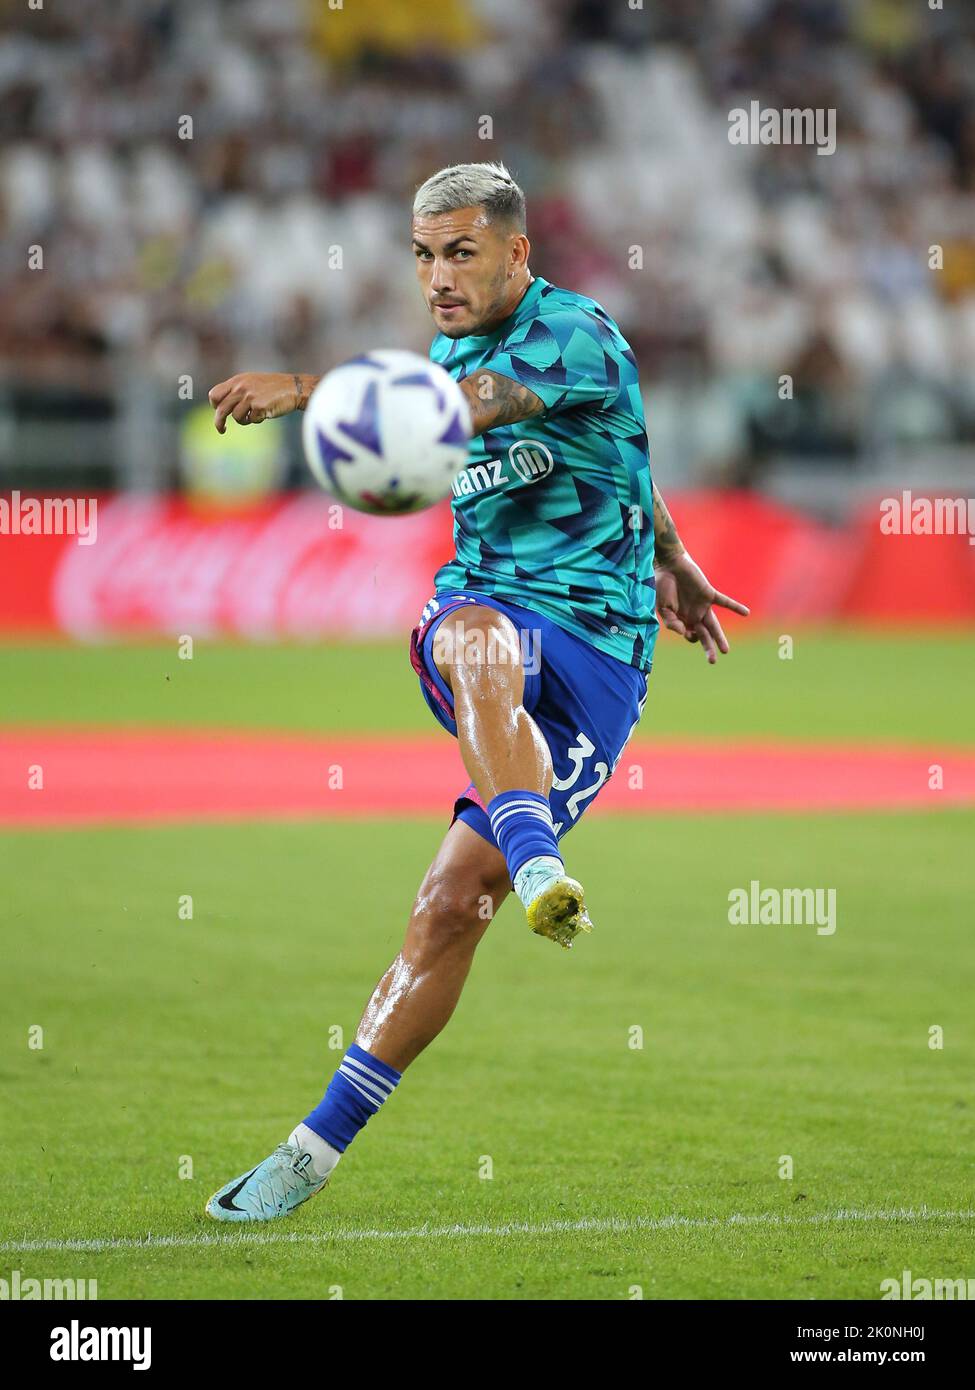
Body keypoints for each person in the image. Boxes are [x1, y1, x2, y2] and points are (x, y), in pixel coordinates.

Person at [204, 162, 748, 1222]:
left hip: (600, 653)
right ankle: (538, 860)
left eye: (460, 252)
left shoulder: (570, 331)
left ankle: (321, 1140)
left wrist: (308, 390)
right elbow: (621, 453)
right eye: (422, 255)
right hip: (489, 613)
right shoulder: (454, 343)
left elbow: (466, 408)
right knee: (476, 634)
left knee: (453, 905)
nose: (439, 277)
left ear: (516, 252)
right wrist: (674, 548)